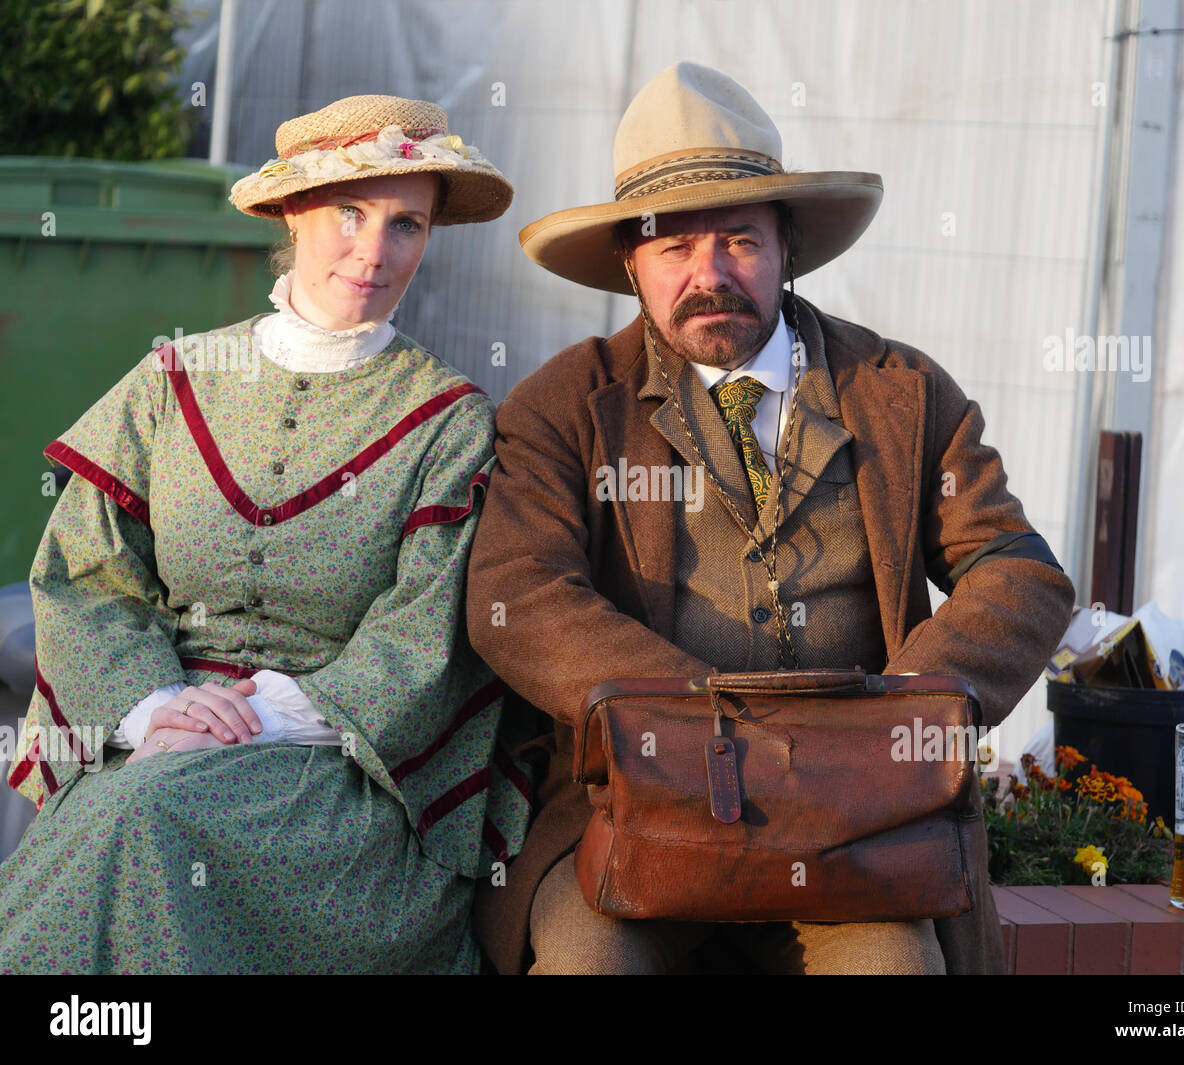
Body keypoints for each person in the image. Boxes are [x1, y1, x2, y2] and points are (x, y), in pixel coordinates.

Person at [467, 62, 1076, 975]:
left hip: (856, 838)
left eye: (738, 240)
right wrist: (698, 727)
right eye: (672, 248)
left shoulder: (902, 394)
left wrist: (898, 721)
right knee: (591, 966)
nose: (708, 276)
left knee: (895, 971)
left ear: (787, 246)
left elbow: (1019, 570)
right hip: (639, 823)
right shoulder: (564, 405)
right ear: (630, 262)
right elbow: (515, 594)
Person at [0, 94, 530, 974]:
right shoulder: (174, 379)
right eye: (348, 214)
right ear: (291, 211)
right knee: (125, 819)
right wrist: (156, 708)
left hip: (339, 784)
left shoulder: (450, 422)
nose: (375, 252)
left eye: (408, 224)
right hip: (154, 740)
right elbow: (84, 573)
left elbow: (426, 634)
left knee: (139, 821)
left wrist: (254, 715)